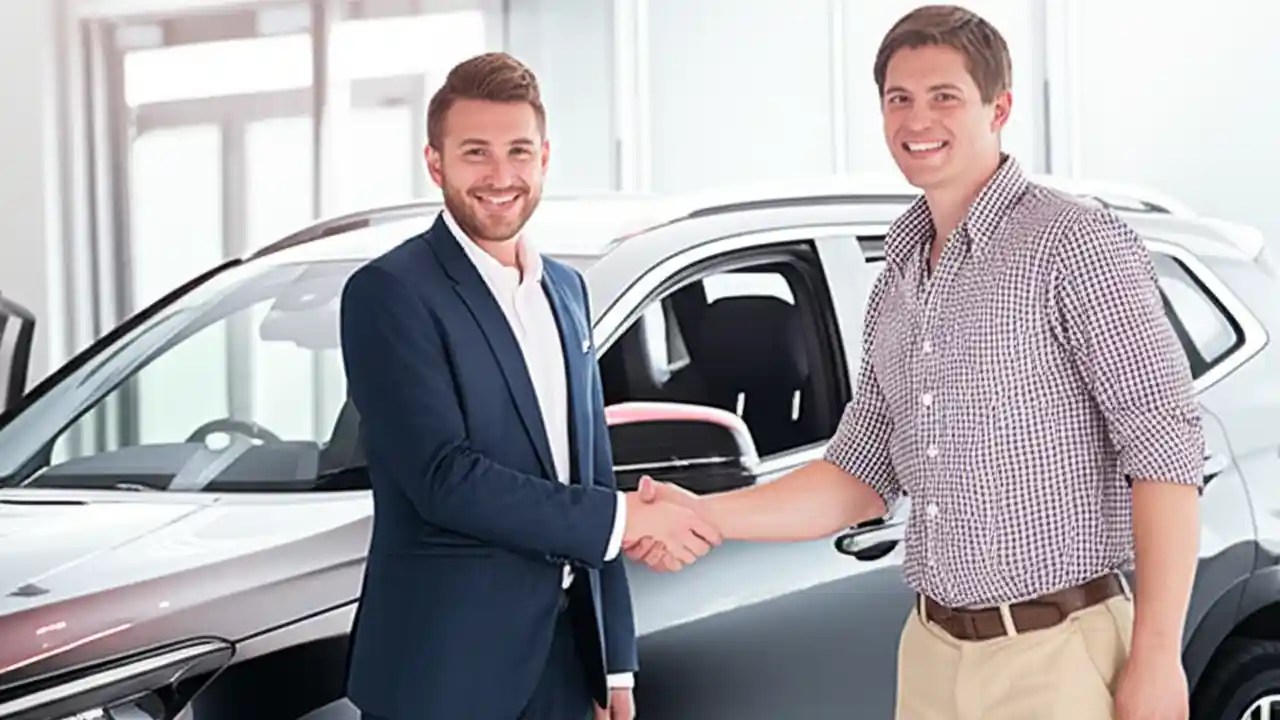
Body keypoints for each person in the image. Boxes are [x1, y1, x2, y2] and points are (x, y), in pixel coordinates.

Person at [628, 5, 1203, 719]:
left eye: (944, 97)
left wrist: (1156, 657)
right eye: (898, 98)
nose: (916, 119)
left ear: (1000, 108)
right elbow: (857, 477)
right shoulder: (899, 273)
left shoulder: (1073, 243)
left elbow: (1166, 454)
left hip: (1058, 655)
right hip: (931, 654)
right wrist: (702, 514)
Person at [339, 52, 721, 720]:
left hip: (565, 666)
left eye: (518, 151)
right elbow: (444, 477)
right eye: (475, 153)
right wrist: (629, 518)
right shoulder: (390, 294)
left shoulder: (566, 291)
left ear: (544, 157)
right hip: (444, 677)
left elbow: (591, 469)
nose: (500, 176)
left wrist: (615, 663)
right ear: (436, 163)